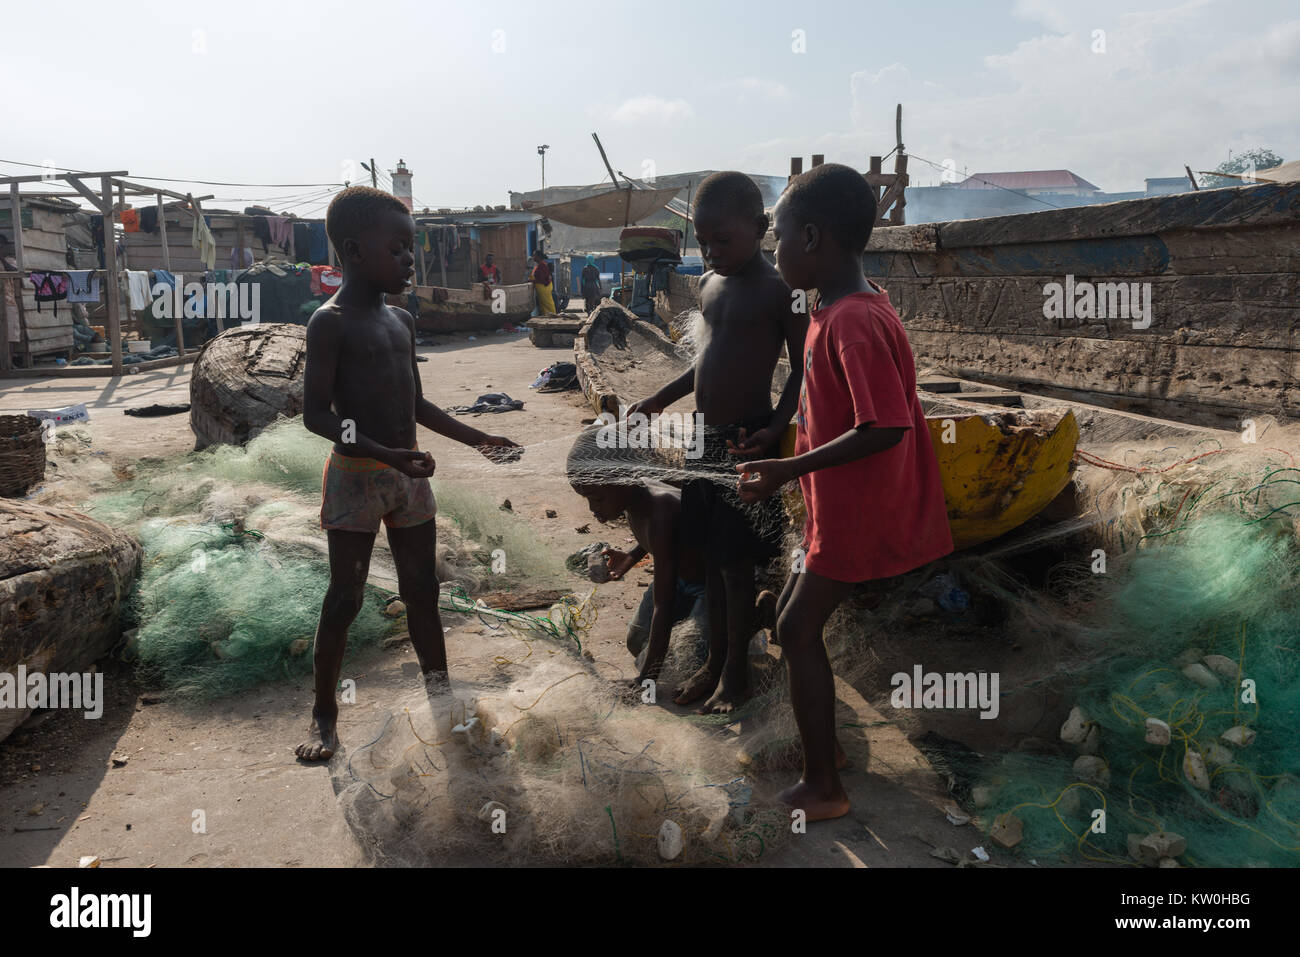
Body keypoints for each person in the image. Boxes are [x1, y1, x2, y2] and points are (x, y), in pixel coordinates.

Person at [737, 163, 953, 820]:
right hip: (838, 511)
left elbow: (883, 425)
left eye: (775, 237)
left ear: (810, 237)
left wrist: (785, 471)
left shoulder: (851, 322)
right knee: (791, 623)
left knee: (798, 629)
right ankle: (823, 766)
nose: (771, 252)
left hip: (859, 512)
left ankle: (824, 784)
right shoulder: (844, 308)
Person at [295, 186, 522, 762]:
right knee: (344, 597)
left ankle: (442, 702)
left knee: (423, 591)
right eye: (397, 248)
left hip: (408, 479)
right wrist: (387, 454)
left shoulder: (401, 320)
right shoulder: (331, 323)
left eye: (410, 248)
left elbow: (418, 405)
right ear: (352, 249)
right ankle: (324, 714)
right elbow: (317, 415)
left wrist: (479, 437)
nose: (409, 259)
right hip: (358, 479)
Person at [627, 171, 806, 715]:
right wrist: (660, 397)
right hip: (705, 439)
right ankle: (717, 659)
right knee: (708, 553)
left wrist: (776, 429)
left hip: (748, 441)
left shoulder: (782, 293)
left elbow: (803, 370)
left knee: (736, 564)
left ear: (759, 227)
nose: (711, 250)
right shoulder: (709, 284)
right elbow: (706, 362)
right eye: (703, 241)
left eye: (722, 240)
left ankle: (735, 676)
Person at [567, 427, 708, 691]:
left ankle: (747, 626)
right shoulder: (636, 500)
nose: (592, 508)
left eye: (596, 498)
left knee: (687, 663)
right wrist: (631, 556)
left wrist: (646, 681)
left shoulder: (662, 508)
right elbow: (663, 541)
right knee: (637, 642)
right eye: (586, 499)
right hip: (679, 580)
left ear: (623, 479)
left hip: (710, 587)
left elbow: (663, 604)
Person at [530, 248, 556, 316]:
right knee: (544, 305)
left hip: (544, 287)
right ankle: (547, 317)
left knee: (547, 304)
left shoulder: (542, 266)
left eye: (534, 255)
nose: (533, 257)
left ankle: (553, 316)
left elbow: (542, 279)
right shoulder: (539, 265)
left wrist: (532, 280)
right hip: (542, 287)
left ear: (538, 257)